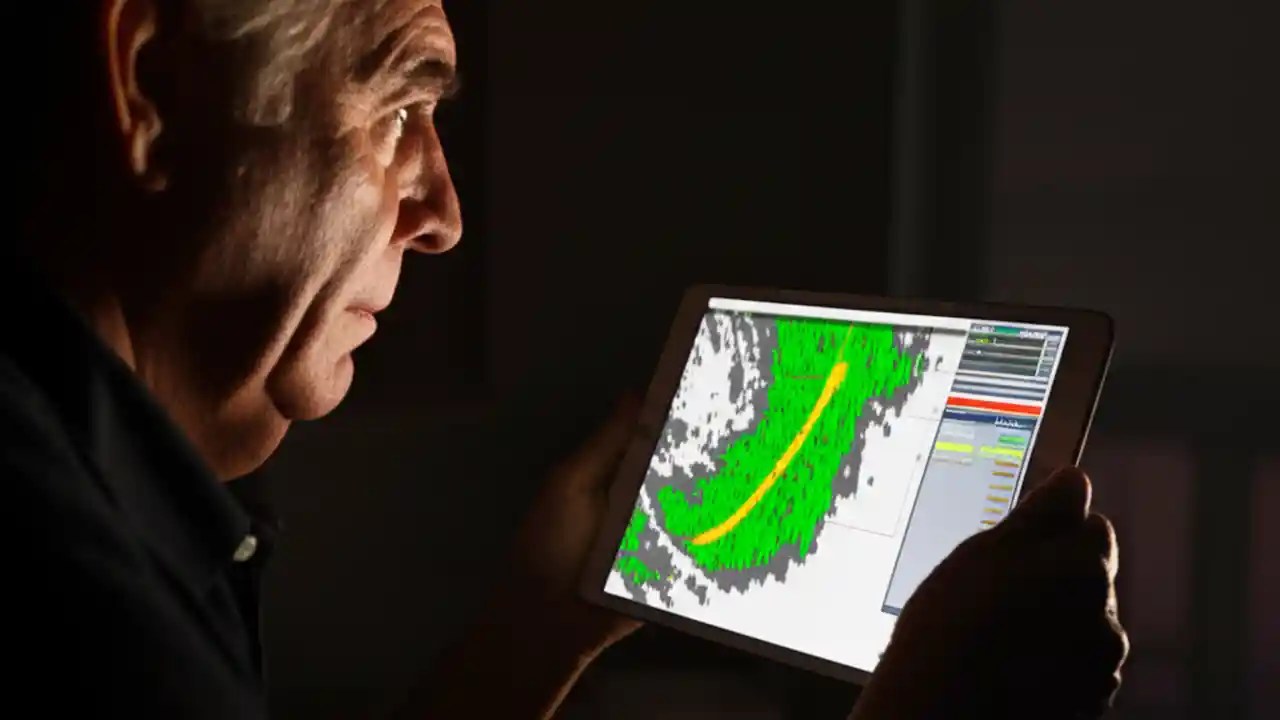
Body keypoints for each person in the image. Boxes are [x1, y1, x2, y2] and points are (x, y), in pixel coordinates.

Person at [3, 0, 1127, 717]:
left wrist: (534, 630)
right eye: (400, 102)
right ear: (148, 93)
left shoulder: (97, 486)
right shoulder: (61, 603)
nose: (442, 212)